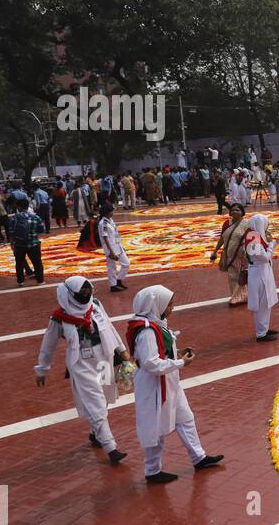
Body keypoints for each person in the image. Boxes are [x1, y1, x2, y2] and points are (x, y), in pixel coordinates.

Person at [126, 286, 223, 484]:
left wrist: (176, 354)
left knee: (185, 418)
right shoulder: (146, 331)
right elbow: (151, 363)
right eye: (169, 304)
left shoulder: (157, 324)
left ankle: (199, 457)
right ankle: (152, 471)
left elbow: (160, 352)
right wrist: (181, 363)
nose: (172, 308)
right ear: (156, 305)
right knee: (155, 427)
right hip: (155, 384)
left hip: (169, 381)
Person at [35, 276, 129, 465]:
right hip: (81, 364)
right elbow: (49, 343)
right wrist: (42, 368)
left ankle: (95, 433)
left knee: (104, 397)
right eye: (82, 293)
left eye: (88, 292)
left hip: (103, 357)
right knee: (95, 402)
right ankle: (111, 447)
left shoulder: (95, 305)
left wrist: (122, 350)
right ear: (70, 294)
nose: (86, 296)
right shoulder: (59, 318)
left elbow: (109, 327)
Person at [243, 214, 279, 342]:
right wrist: (272, 244)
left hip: (263, 271)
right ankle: (261, 333)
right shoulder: (252, 239)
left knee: (266, 302)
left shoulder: (256, 236)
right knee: (261, 303)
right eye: (265, 225)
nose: (266, 228)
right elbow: (264, 257)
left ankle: (264, 328)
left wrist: (276, 242)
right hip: (259, 273)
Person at [210, 202, 250, 306]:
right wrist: (215, 251)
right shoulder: (227, 223)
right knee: (232, 276)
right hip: (229, 254)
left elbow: (251, 238)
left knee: (242, 275)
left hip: (242, 255)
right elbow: (222, 238)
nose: (234, 212)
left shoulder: (247, 224)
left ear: (242, 212)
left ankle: (240, 297)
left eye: (237, 210)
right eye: (232, 210)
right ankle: (236, 296)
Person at [7, 197, 46, 285]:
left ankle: (20, 281)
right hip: (33, 243)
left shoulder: (14, 218)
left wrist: (12, 243)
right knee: (37, 262)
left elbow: (11, 232)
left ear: (19, 207)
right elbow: (41, 230)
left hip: (19, 244)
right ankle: (40, 280)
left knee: (19, 263)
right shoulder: (35, 217)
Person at [97, 203, 129, 292]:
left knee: (126, 263)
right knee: (112, 267)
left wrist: (121, 245)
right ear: (107, 212)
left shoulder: (110, 220)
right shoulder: (103, 224)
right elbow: (105, 238)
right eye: (111, 210)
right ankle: (113, 285)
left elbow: (116, 233)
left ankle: (118, 280)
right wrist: (111, 252)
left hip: (118, 246)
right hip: (110, 248)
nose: (113, 212)